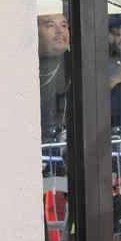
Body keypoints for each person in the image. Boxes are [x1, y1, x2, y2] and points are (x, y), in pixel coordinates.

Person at [38, 13, 71, 145]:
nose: (60, 31)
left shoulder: (79, 65)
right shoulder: (22, 66)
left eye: (64, 25)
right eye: (51, 25)